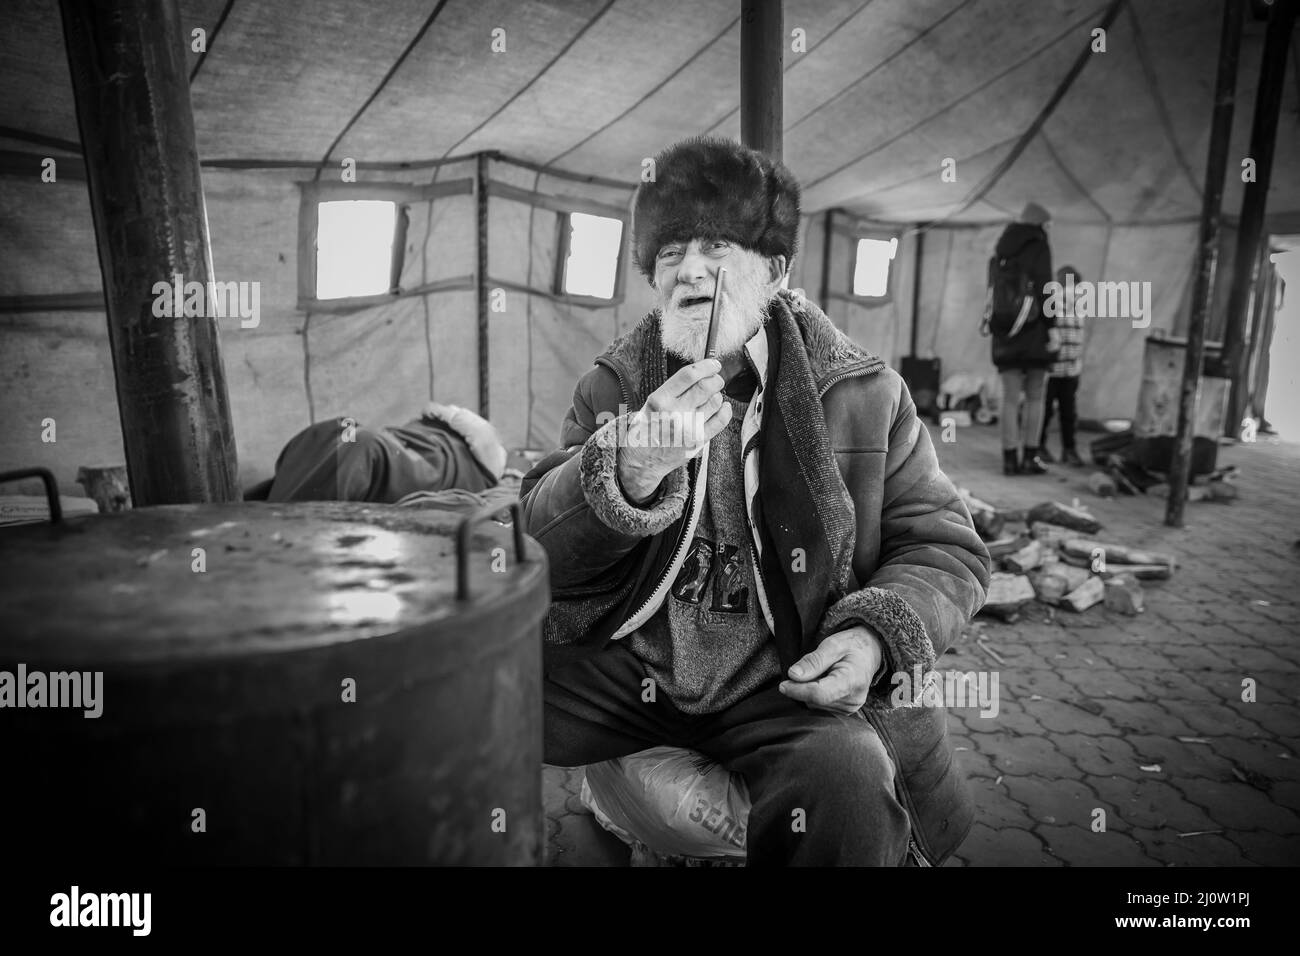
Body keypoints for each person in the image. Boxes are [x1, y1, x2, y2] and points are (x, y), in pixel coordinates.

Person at [520, 137, 990, 866]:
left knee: (849, 776)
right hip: (632, 671)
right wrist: (625, 469)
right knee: (460, 682)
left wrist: (873, 637)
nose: (691, 271)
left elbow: (945, 548)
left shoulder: (864, 395)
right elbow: (542, 545)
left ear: (774, 269)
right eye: (670, 253)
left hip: (781, 683)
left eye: (717, 245)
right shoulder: (613, 389)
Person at [247, 402, 506, 502]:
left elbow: (484, 444)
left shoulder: (484, 454)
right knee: (331, 431)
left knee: (364, 446)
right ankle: (285, 505)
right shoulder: (436, 426)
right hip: (400, 440)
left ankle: (291, 519)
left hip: (427, 459)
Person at [989, 202, 1056, 475]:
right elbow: (1045, 288)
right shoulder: (1039, 245)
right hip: (1034, 330)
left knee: (1009, 397)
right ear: (1040, 224)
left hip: (1004, 331)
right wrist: (1051, 327)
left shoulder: (999, 253)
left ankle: (1009, 459)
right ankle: (1030, 457)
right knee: (1035, 397)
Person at [1040, 265, 1086, 466]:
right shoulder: (1079, 303)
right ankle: (1069, 450)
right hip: (1069, 368)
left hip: (1052, 368)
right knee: (1068, 413)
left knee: (1046, 410)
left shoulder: (1051, 300)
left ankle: (1039, 447)